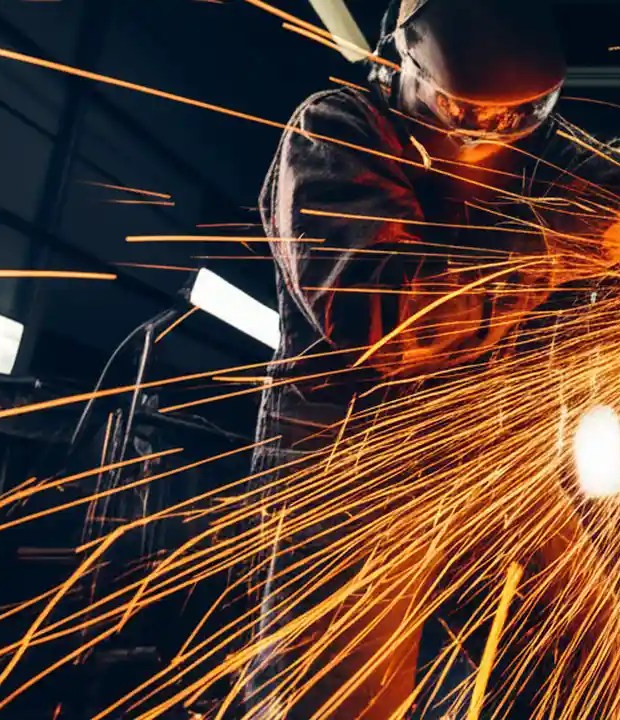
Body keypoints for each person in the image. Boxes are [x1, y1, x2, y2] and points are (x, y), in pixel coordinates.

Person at [247, 0, 578, 716]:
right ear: (404, 65)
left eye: (521, 112)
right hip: (353, 470)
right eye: (465, 109)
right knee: (339, 701)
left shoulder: (531, 145)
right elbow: (388, 316)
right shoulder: (334, 132)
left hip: (490, 455)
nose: (494, 130)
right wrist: (556, 241)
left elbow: (608, 176)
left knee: (599, 659)